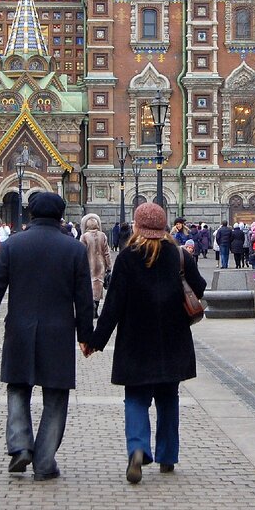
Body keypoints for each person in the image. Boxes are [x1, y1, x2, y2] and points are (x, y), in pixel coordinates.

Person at [0, 191, 93, 481]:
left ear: (31, 214)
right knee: (55, 395)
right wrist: (86, 335)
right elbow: (84, 298)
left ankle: (19, 447)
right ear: (61, 216)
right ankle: (44, 461)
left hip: (20, 330)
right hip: (59, 332)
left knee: (17, 388)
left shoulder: (13, 245)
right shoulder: (73, 249)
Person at [87, 201, 207, 483]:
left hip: (135, 340)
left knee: (136, 398)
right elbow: (199, 289)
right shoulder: (178, 254)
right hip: (172, 339)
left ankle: (138, 449)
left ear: (138, 226)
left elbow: (113, 304)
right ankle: (167, 456)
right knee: (168, 398)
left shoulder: (128, 257)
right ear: (164, 225)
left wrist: (95, 341)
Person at [80, 212, 112, 318]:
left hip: (89, 263)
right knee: (98, 286)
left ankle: (91, 305)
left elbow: (81, 252)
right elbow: (107, 252)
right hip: (101, 264)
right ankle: (96, 308)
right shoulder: (102, 235)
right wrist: (109, 266)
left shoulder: (84, 236)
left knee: (89, 285)